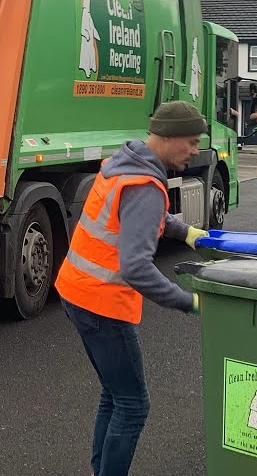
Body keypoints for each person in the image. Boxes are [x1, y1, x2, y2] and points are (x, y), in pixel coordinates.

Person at [55, 100, 209, 476]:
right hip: (102, 303)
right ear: (168, 137)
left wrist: (185, 231)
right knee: (133, 404)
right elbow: (136, 267)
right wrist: (188, 301)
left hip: (76, 290)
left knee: (115, 393)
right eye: (191, 142)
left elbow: (143, 215)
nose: (195, 150)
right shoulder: (145, 186)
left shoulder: (125, 164)